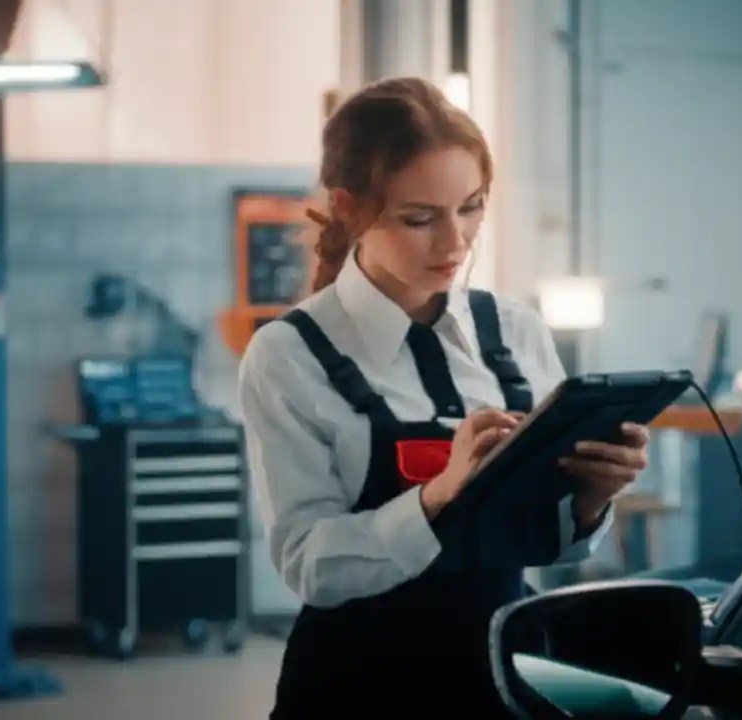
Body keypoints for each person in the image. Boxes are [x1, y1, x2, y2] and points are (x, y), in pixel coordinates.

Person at [238, 76, 652, 718]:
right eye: (420, 218)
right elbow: (310, 566)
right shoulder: (290, 355)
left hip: (504, 678)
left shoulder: (515, 331)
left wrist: (591, 500)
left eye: (472, 206)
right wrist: (437, 496)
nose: (455, 240)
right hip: (355, 687)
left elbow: (553, 546)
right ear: (349, 207)